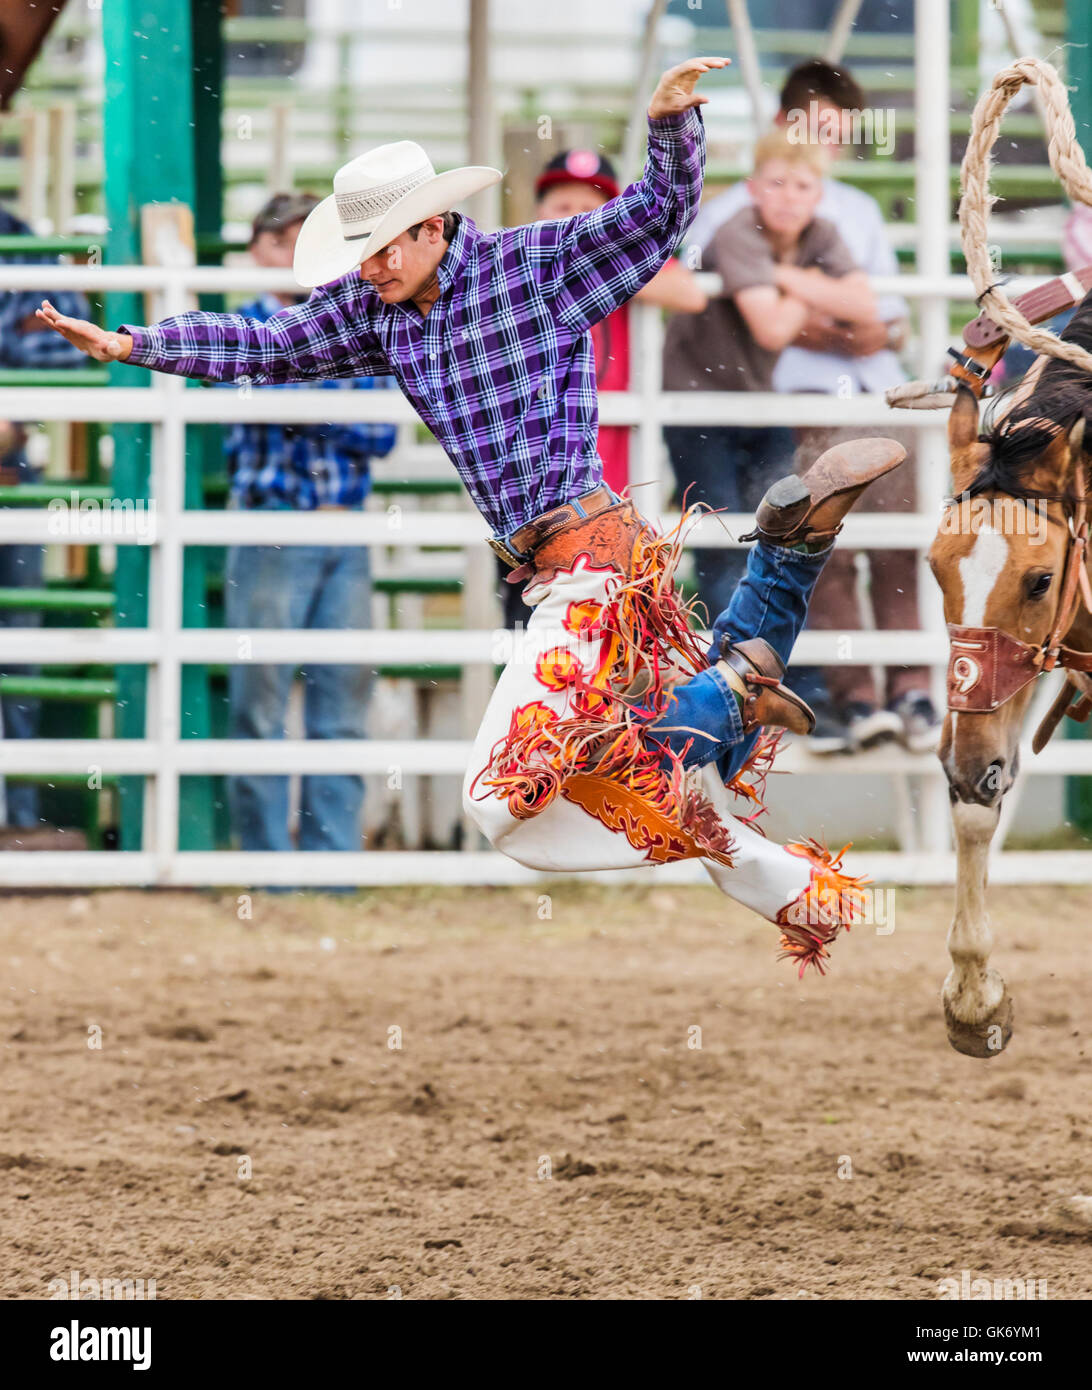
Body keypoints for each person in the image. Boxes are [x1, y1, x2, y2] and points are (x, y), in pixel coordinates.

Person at [37, 57, 905, 975]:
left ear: (433, 226)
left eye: (382, 248)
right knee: (667, 789)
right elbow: (270, 343)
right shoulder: (381, 311)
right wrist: (139, 343)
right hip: (577, 569)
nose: (367, 269)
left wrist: (667, 128)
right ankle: (782, 610)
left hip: (592, 571)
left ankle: (737, 673)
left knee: (507, 799)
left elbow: (653, 217)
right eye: (360, 253)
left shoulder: (532, 264)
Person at [686, 59, 938, 754]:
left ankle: (912, 689)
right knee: (822, 549)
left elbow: (883, 320)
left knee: (896, 547)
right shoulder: (729, 214)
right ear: (781, 126)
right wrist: (836, 315)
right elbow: (773, 323)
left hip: (877, 392)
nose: (824, 150)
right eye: (815, 131)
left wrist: (788, 284)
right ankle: (851, 697)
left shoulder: (845, 209)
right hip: (793, 397)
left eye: (837, 136)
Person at [663, 124, 873, 691]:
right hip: (698, 405)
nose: (788, 197)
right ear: (754, 189)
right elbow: (774, 327)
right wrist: (809, 284)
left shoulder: (816, 234)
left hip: (754, 399)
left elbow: (864, 302)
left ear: (818, 194)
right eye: (776, 184)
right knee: (725, 541)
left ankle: (790, 682)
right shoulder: (737, 231)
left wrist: (784, 277)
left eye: (802, 186)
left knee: (786, 530)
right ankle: (732, 680)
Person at [223, 192, 397, 859]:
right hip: (278, 525)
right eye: (278, 241)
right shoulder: (249, 323)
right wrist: (322, 399)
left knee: (339, 704)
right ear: (256, 250)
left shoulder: (352, 321)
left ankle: (330, 865)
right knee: (264, 705)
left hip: (337, 527)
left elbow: (378, 431)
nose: (291, 255)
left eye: (303, 241)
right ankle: (269, 862)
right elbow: (351, 421)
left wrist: (298, 394)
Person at [498, 147, 706, 632]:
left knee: (617, 619)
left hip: (612, 479)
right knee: (533, 623)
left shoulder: (623, 263)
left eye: (590, 211)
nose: (575, 222)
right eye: (562, 208)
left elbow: (688, 293)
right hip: (533, 480)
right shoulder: (517, 261)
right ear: (538, 213)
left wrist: (596, 264)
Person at [0, 205, 90, 832]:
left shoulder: (21, 239)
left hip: (11, 472)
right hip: (13, 458)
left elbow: (72, 347)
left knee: (20, 645)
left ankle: (19, 814)